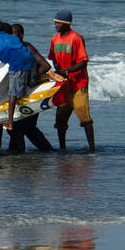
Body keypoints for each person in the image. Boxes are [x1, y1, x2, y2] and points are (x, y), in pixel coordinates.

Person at [48, 9, 95, 151]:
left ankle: (92, 148)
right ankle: (62, 148)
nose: (55, 26)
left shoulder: (76, 38)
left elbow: (83, 62)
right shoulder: (54, 39)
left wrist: (66, 71)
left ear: (66, 24)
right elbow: (54, 59)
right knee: (60, 119)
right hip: (63, 85)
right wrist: (59, 72)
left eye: (58, 23)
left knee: (84, 118)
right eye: (55, 23)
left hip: (78, 84)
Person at [0, 20, 36, 133]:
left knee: (12, 93)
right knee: (26, 81)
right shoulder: (12, 37)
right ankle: (38, 79)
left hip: (17, 64)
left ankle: (10, 122)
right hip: (30, 59)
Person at [8, 23, 57, 152]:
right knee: (27, 128)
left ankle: (19, 155)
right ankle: (48, 151)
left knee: (22, 127)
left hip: (31, 94)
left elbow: (46, 66)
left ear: (21, 35)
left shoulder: (27, 48)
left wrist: (33, 79)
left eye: (14, 35)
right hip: (24, 94)